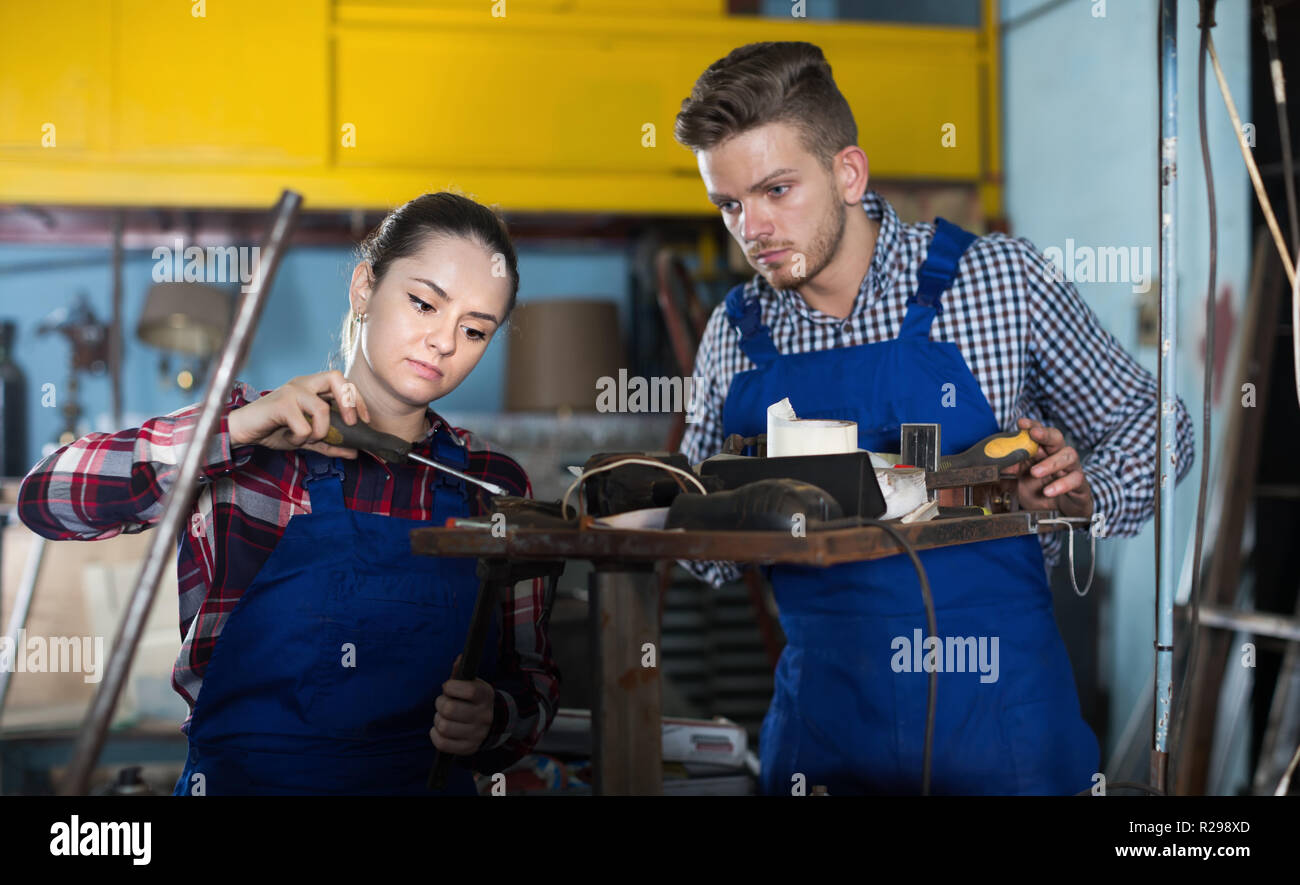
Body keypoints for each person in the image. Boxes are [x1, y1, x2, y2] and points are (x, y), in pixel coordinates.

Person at [673, 42, 1195, 795]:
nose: (752, 227)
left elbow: (1160, 423)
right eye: (729, 204)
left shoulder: (998, 282)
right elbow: (708, 551)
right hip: (823, 746)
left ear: (848, 173)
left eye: (776, 190)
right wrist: (680, 506)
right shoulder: (737, 332)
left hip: (1005, 739)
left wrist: (1090, 494)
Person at [18, 192, 558, 796]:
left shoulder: (494, 486)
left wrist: (494, 719)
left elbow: (532, 683)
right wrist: (234, 430)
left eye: (475, 329)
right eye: (423, 303)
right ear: (363, 286)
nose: (442, 342)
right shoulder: (245, 443)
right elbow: (46, 497)